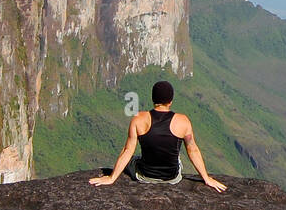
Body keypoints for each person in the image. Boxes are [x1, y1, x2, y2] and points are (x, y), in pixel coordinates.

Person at [91, 80, 227, 192]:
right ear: (170, 101)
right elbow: (193, 150)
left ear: (153, 99)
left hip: (145, 176)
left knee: (133, 159)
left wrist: (111, 178)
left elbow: (127, 150)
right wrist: (206, 178)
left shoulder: (138, 119)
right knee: (177, 158)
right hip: (172, 178)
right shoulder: (183, 121)